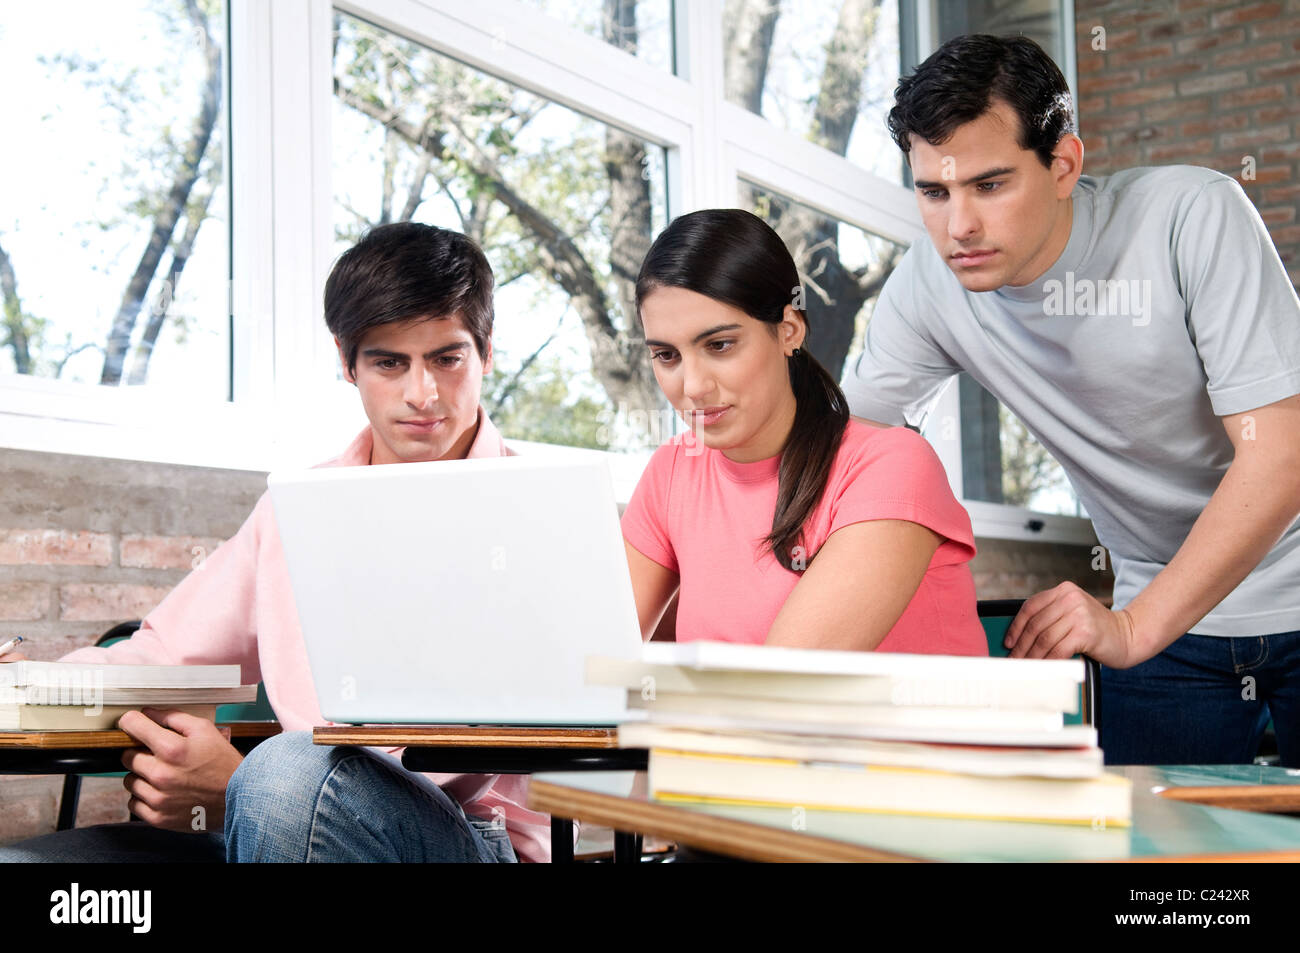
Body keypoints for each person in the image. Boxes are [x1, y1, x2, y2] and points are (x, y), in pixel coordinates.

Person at [0, 222, 547, 862]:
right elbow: (160, 654)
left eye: (446, 358)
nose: (421, 394)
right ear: (347, 360)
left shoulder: (537, 510)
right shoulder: (292, 509)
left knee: (289, 771)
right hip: (278, 821)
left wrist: (237, 788)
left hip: (465, 840)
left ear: (486, 353)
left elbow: (464, 756)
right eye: (388, 362)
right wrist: (30, 686)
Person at [843, 34, 1300, 765]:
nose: (958, 226)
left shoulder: (1191, 215)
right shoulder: (929, 286)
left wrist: (1130, 628)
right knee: (1159, 866)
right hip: (1168, 625)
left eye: (989, 185)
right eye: (934, 190)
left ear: (1064, 164)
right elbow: (846, 453)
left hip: (1201, 604)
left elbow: (1280, 456)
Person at [621, 208, 986, 656]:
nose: (693, 386)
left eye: (719, 345)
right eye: (666, 355)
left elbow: (786, 684)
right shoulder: (673, 471)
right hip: (730, 726)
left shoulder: (891, 465)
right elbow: (591, 653)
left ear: (789, 330)